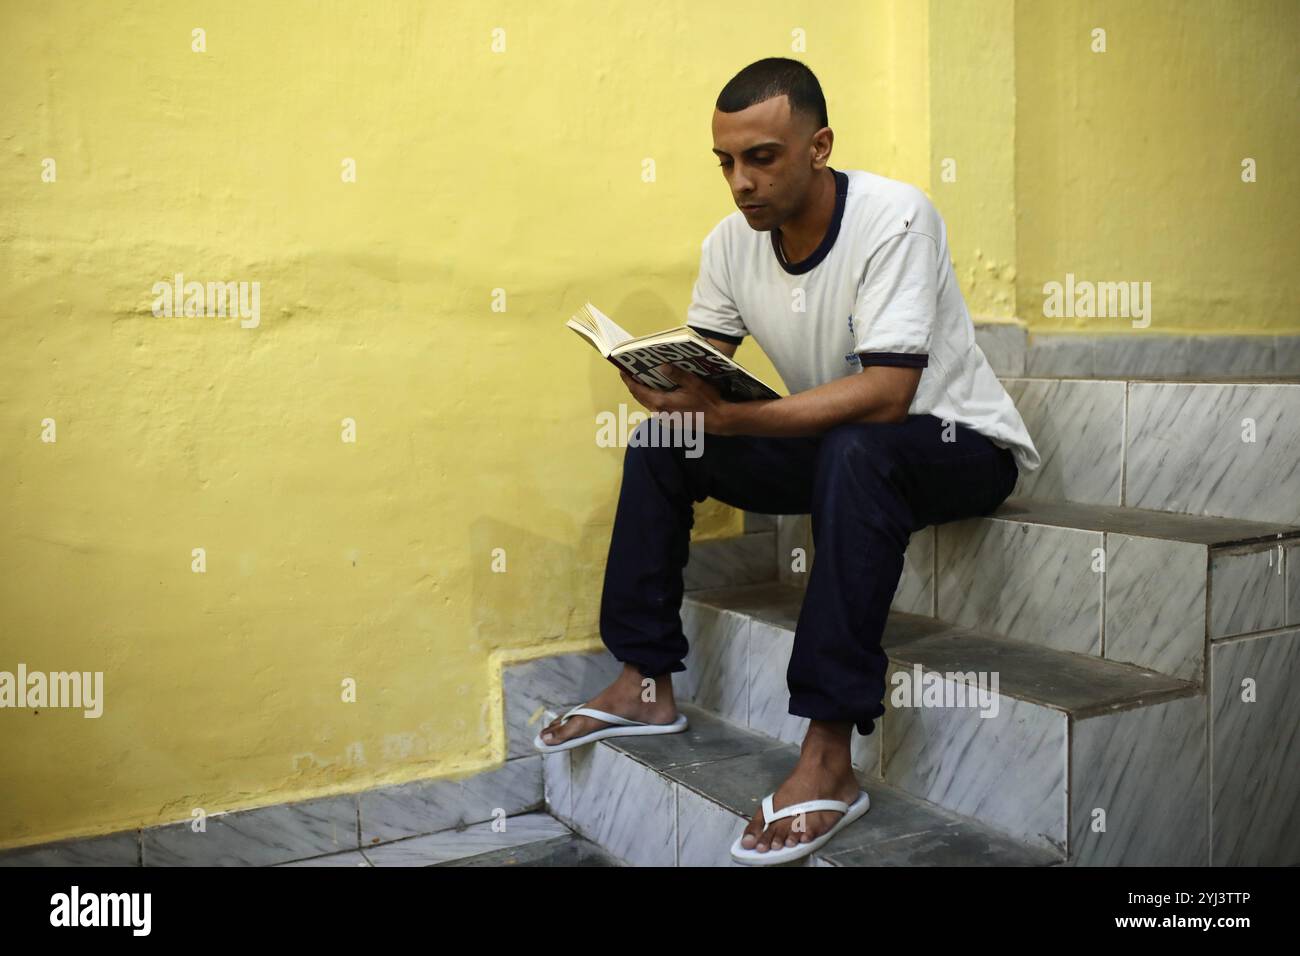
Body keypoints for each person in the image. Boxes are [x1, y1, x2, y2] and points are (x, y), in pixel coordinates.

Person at [537, 57, 1039, 862]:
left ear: (819, 145)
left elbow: (886, 395)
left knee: (855, 448)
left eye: (761, 157)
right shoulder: (731, 244)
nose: (740, 182)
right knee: (666, 445)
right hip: (844, 449)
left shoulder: (896, 217)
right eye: (726, 162)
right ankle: (643, 682)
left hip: (956, 443)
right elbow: (709, 362)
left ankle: (830, 759)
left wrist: (735, 415)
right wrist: (667, 387)